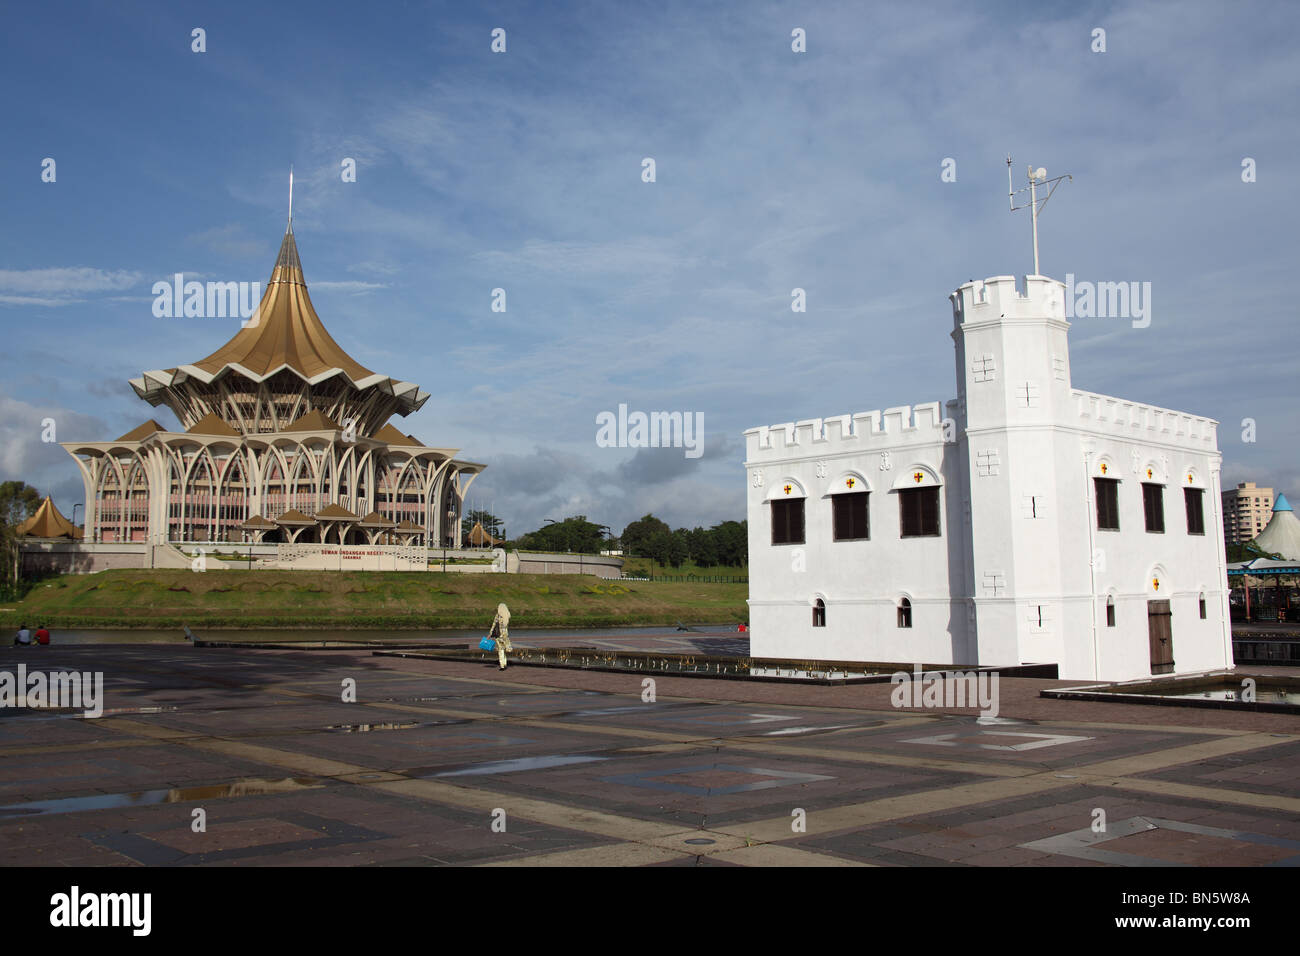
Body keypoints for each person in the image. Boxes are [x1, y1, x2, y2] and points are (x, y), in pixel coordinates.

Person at [489, 603, 512, 670]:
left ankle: (502, 665)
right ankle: (504, 663)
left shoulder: (498, 615)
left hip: (498, 635)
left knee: (500, 650)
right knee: (504, 650)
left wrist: (490, 633)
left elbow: (494, 625)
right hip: (505, 635)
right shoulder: (507, 615)